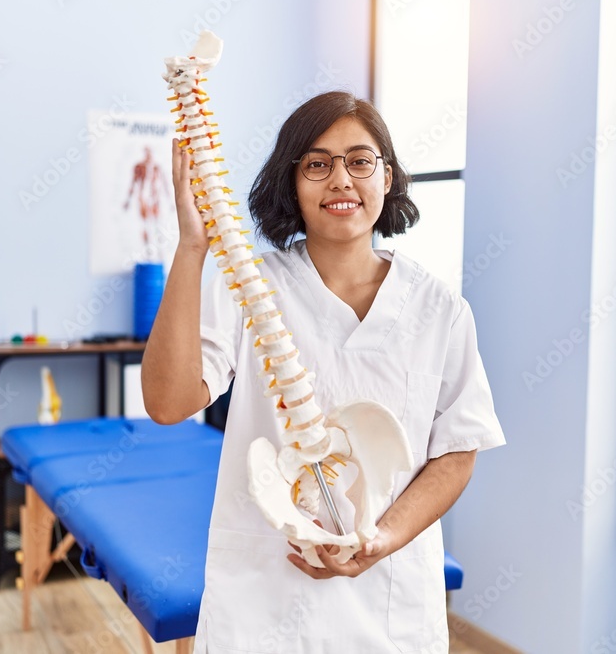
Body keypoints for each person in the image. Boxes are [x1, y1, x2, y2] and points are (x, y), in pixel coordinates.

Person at [141, 91, 504, 653]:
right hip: (263, 598)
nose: (340, 180)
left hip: (389, 606)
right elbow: (168, 403)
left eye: (360, 161)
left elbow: (457, 452)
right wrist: (192, 247)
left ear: (387, 177)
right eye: (316, 164)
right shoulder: (247, 288)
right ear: (292, 183)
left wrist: (380, 539)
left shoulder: (440, 310)